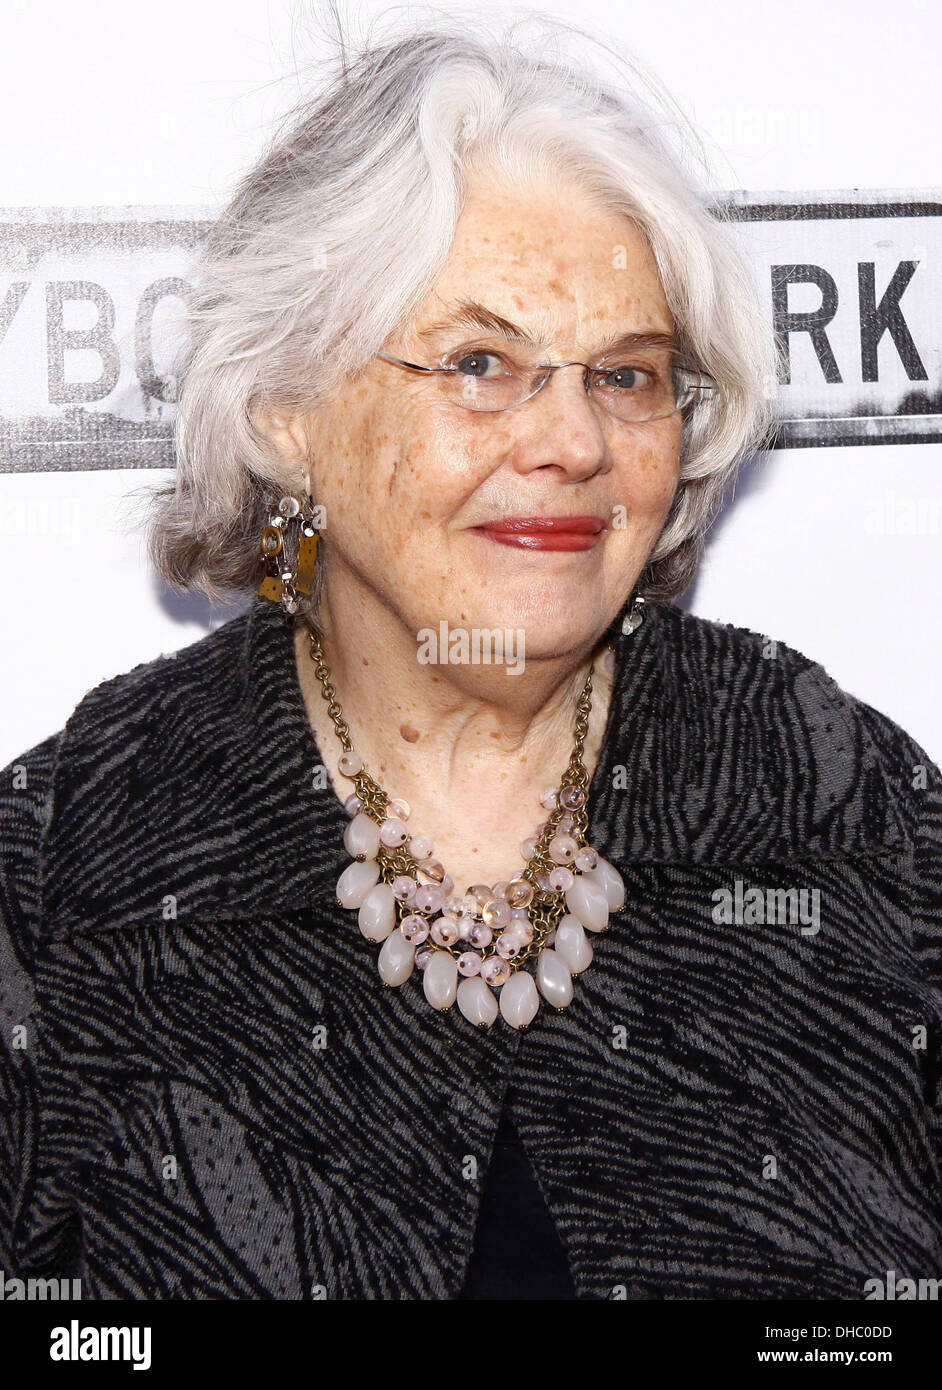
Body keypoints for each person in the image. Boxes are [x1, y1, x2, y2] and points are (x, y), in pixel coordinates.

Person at [1, 16, 940, 1301]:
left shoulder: (837, 796)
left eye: (627, 375)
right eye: (483, 363)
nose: (572, 441)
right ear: (287, 407)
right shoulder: (76, 856)